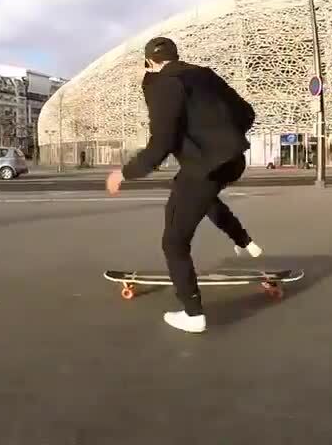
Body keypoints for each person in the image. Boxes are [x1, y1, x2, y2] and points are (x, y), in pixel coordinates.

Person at [106, 36, 262, 333]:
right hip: (233, 160)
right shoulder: (204, 74)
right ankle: (245, 242)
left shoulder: (160, 84)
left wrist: (124, 173)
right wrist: (223, 139)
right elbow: (247, 112)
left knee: (174, 242)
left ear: (149, 62)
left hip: (204, 167)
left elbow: (161, 144)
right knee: (201, 198)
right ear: (176, 56)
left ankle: (193, 314)